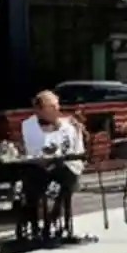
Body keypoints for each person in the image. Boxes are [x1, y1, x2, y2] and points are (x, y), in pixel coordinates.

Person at [19, 91, 86, 237]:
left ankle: (52, 220)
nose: (58, 109)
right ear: (40, 110)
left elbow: (77, 150)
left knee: (63, 179)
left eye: (57, 106)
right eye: (53, 107)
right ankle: (36, 224)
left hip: (67, 168)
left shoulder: (68, 125)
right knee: (31, 179)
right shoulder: (28, 126)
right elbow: (30, 150)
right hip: (40, 167)